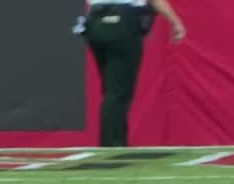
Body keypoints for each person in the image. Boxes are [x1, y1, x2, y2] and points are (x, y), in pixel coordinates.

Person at [79, 0, 186, 147]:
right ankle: (112, 146)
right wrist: (175, 21)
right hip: (123, 21)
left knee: (111, 90)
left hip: (95, 20)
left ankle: (111, 142)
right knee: (118, 92)